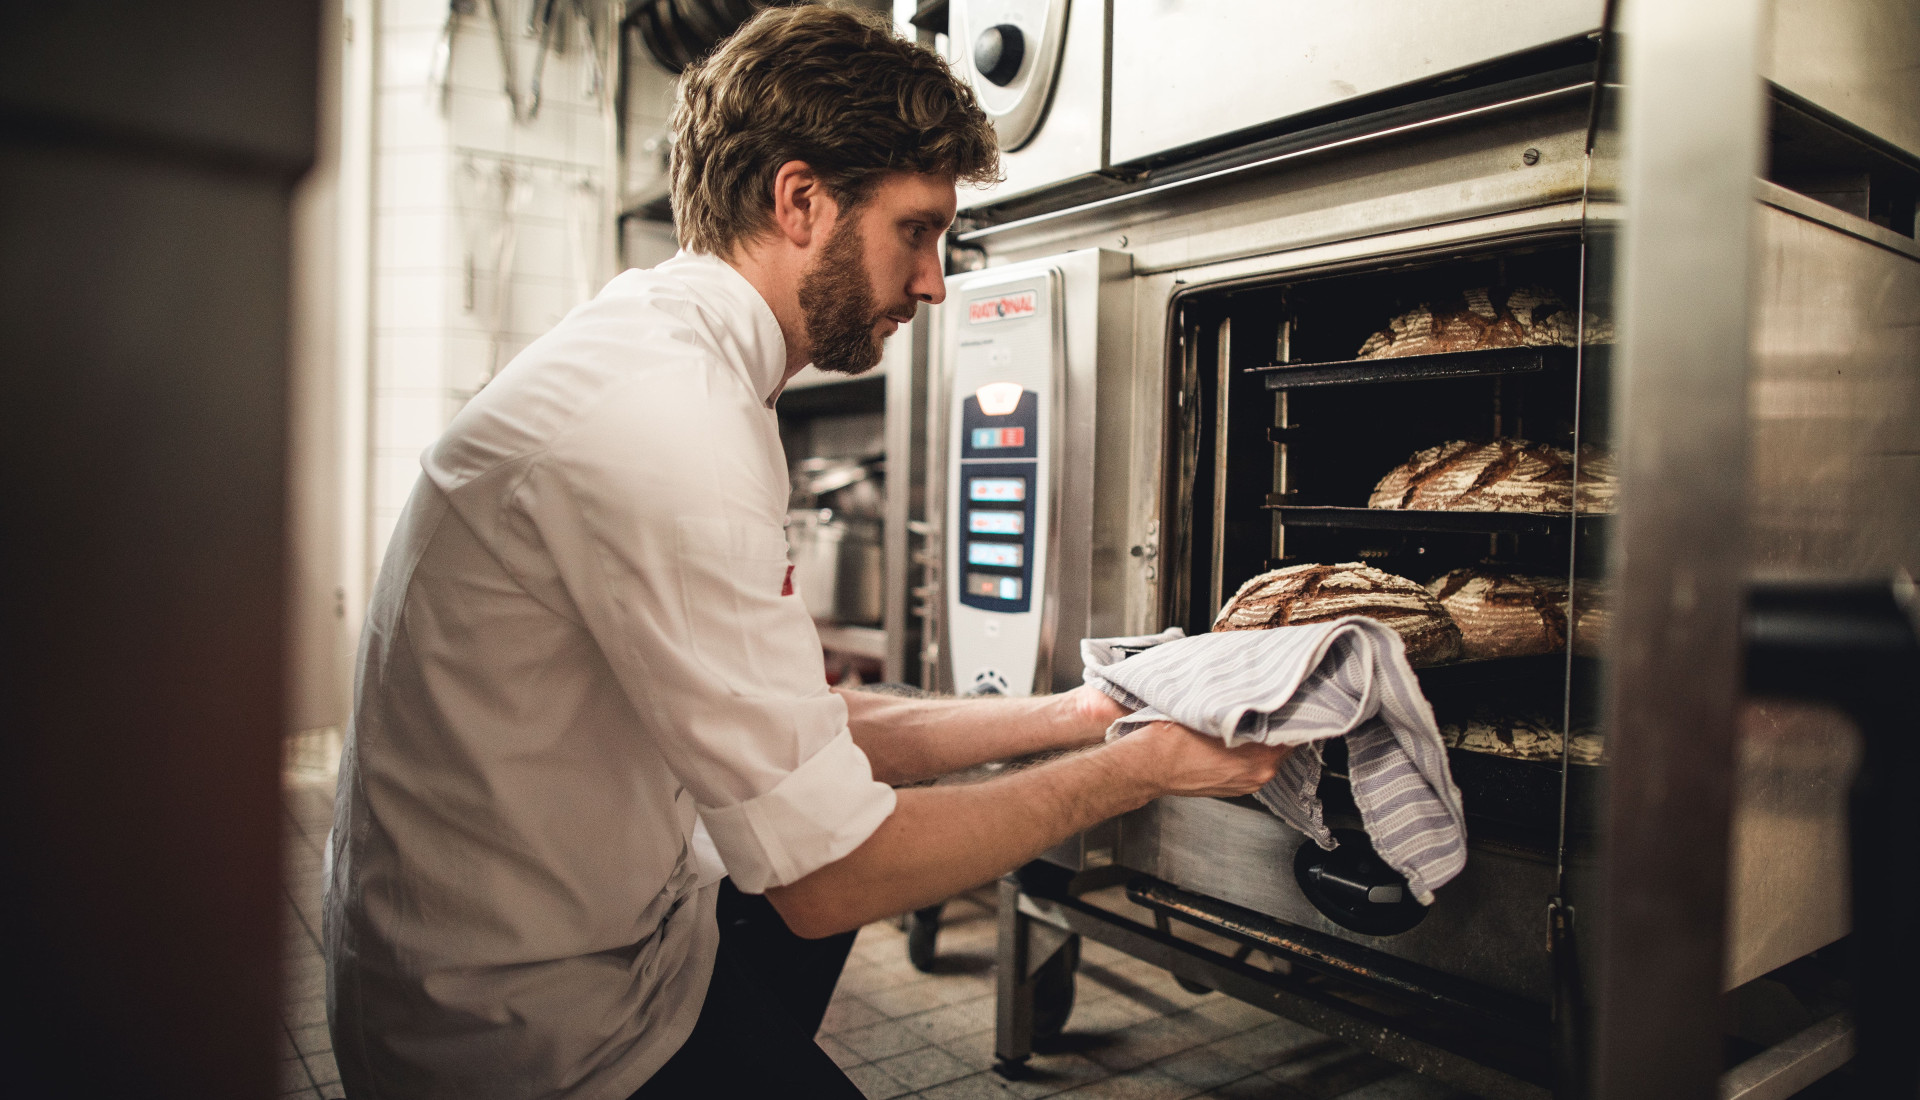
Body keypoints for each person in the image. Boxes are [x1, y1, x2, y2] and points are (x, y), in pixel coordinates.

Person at [322, 7, 1290, 1098]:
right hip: (517, 1036)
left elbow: (816, 740)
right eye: (917, 231)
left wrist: (1084, 711)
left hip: (559, 933)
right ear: (800, 201)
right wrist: (1135, 770)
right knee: (818, 868)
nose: (934, 283)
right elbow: (830, 873)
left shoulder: (663, 347)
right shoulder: (670, 418)